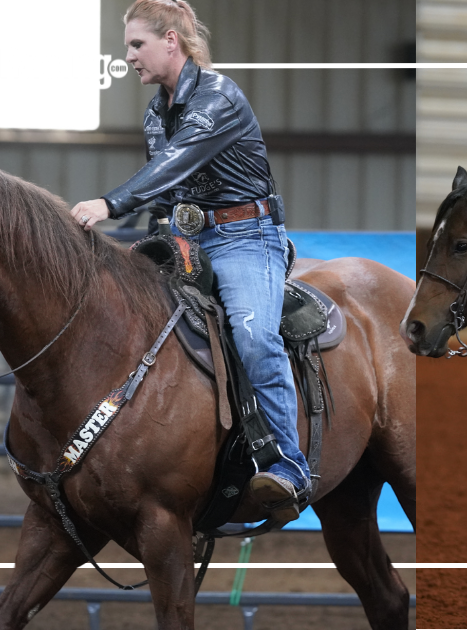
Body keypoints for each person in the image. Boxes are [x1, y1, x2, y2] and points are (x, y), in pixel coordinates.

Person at [69, 0, 309, 522]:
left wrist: (109, 204)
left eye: (137, 44)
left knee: (254, 336)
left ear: (171, 41)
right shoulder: (156, 113)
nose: (128, 56)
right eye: (128, 46)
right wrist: (148, 242)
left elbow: (175, 164)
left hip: (246, 237)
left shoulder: (218, 97)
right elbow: (165, 193)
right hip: (185, 237)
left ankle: (289, 465)